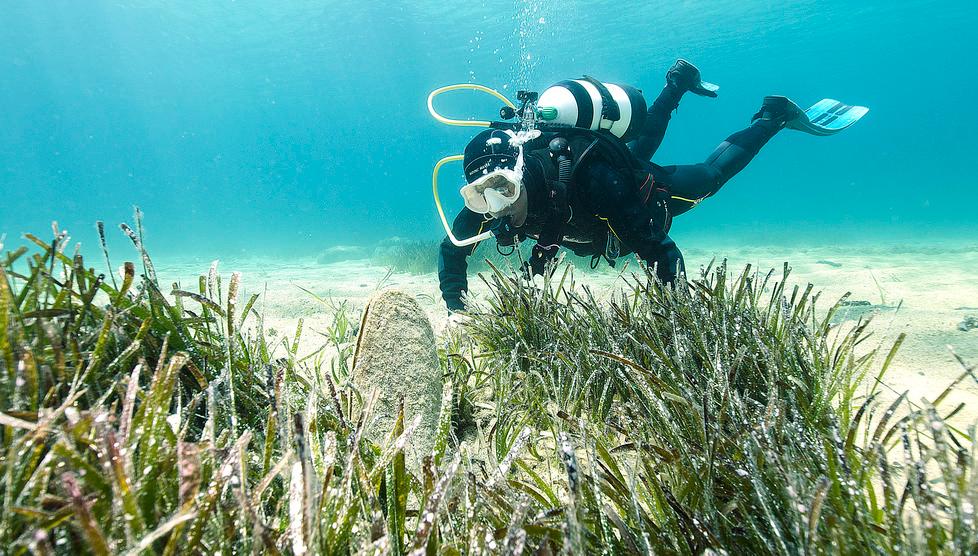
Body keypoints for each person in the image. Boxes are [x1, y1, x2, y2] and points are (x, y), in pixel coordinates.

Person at [438, 60, 861, 313]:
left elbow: (661, 251)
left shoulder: (594, 181)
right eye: (480, 194)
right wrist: (456, 306)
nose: (494, 206)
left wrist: (676, 319)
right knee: (640, 143)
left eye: (502, 189)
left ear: (521, 172)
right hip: (606, 168)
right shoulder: (493, 194)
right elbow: (452, 247)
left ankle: (772, 117)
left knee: (710, 178)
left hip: (638, 189)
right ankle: (677, 82)